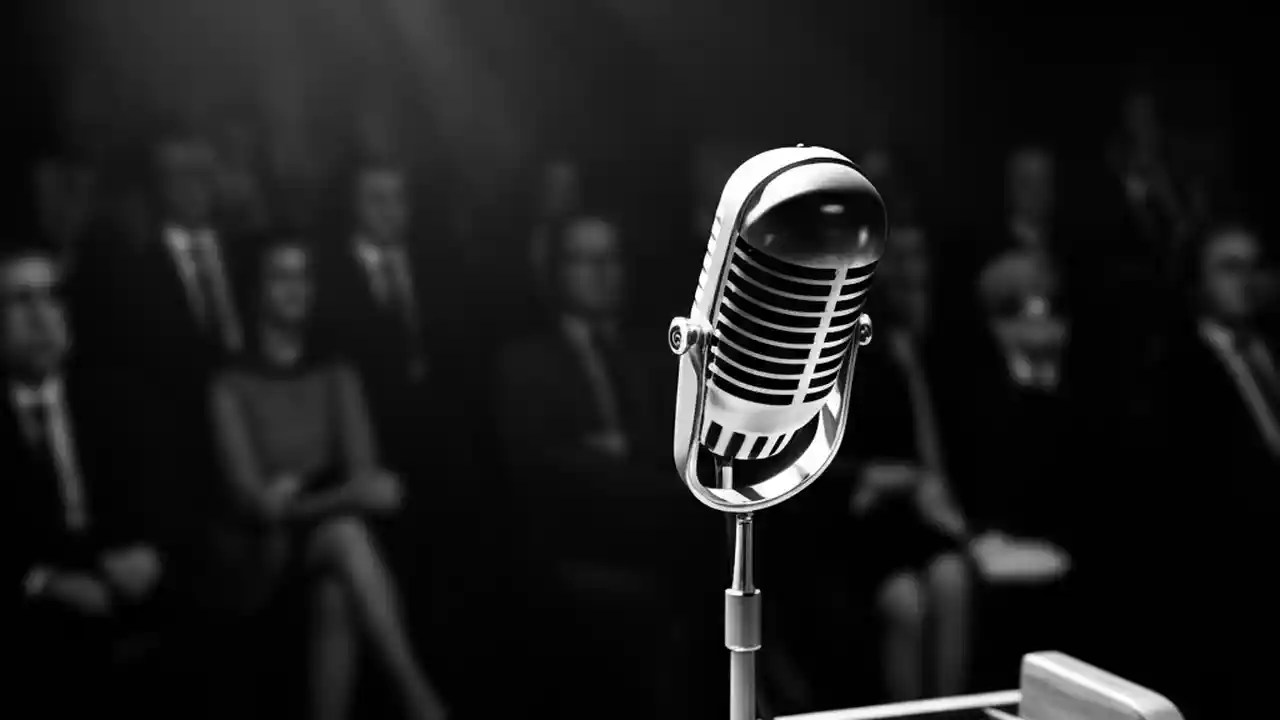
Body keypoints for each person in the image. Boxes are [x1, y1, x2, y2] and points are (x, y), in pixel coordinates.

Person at [207, 237, 449, 720]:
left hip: (329, 537)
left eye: (303, 276)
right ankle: (423, 704)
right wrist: (334, 497)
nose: (295, 289)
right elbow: (255, 504)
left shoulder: (336, 369)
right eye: (281, 276)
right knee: (345, 535)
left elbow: (366, 476)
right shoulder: (229, 382)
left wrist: (305, 495)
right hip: (260, 555)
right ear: (256, 288)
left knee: (339, 577)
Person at [494, 214, 706, 720]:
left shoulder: (657, 353)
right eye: (586, 259)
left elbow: (681, 443)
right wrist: (625, 460)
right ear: (556, 272)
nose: (602, 271)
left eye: (610, 258)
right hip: (576, 539)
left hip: (669, 533)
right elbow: (536, 462)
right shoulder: (524, 361)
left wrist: (620, 452)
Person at [3, 245, 166, 717]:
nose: (41, 316)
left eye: (52, 297)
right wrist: (45, 581)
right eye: (21, 300)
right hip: (36, 607)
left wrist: (151, 551)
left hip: (130, 580)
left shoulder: (117, 397)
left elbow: (166, 495)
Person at [835, 224, 973, 701]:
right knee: (906, 603)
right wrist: (905, 479)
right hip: (867, 515)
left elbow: (944, 455)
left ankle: (950, 714)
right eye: (900, 260)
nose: (910, 271)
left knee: (952, 581)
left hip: (919, 514)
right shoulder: (857, 345)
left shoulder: (941, 346)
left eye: (919, 258)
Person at [1151, 222, 1277, 717]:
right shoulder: (1179, 368)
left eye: (1253, 266)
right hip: (1232, 572)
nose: (1245, 280)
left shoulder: (1267, 346)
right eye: (1229, 267)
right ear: (1198, 282)